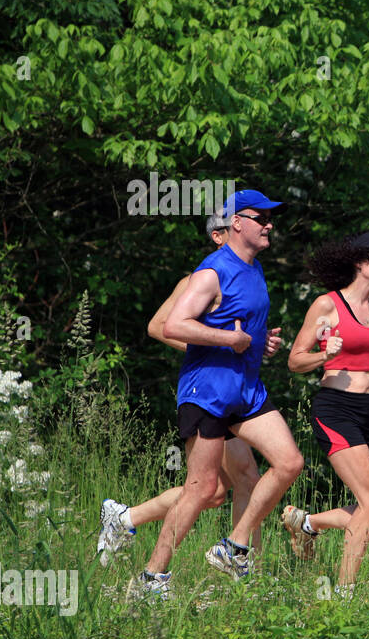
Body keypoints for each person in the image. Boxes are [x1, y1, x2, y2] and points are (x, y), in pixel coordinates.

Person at [130, 189, 303, 599]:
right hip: (207, 391)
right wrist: (230, 339)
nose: (269, 225)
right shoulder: (211, 272)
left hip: (246, 391)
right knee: (203, 489)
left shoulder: (255, 269)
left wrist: (260, 342)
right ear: (236, 223)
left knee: (289, 462)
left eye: (269, 217)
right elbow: (172, 326)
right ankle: (151, 579)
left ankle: (234, 547)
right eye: (260, 217)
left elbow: (243, 329)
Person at [97, 211, 262, 568]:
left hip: (235, 391)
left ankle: (124, 518)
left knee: (215, 492)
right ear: (219, 237)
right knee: (235, 479)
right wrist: (212, 347)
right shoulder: (198, 280)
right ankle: (244, 566)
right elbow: (159, 326)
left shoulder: (241, 279)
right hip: (209, 392)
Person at [282, 230, 369, 596]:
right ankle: (343, 595)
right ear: (359, 262)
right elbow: (294, 361)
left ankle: (307, 523)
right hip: (336, 409)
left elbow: (366, 362)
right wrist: (326, 354)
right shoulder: (327, 306)